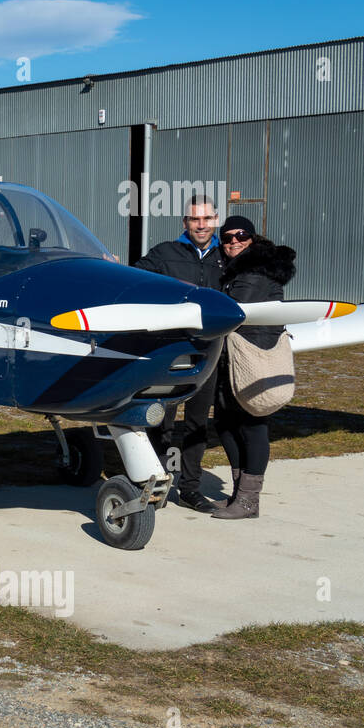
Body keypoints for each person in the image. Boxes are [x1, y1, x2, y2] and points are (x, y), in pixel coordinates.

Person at [133, 193, 225, 511]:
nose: (201, 225)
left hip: (210, 354)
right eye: (195, 219)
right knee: (162, 422)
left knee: (198, 423)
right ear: (185, 222)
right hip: (172, 354)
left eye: (207, 218)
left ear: (215, 220)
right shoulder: (164, 253)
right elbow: (136, 279)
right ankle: (153, 485)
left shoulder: (226, 258)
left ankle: (190, 489)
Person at [211, 216, 296, 520]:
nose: (234, 241)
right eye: (227, 237)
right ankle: (239, 494)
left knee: (253, 425)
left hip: (253, 357)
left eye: (241, 235)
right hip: (232, 356)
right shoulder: (237, 269)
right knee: (224, 423)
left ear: (252, 238)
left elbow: (232, 310)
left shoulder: (255, 271)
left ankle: (249, 501)